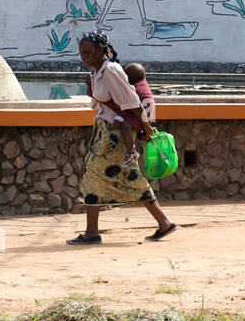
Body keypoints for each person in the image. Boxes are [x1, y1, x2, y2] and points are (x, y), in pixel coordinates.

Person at [67, 31, 177, 245]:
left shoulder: (111, 70)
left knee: (93, 177)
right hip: (106, 132)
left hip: (115, 136)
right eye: (81, 53)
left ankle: (92, 233)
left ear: (100, 49)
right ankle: (164, 222)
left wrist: (146, 128)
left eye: (87, 52)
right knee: (128, 178)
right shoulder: (98, 72)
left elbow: (132, 102)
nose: (83, 56)